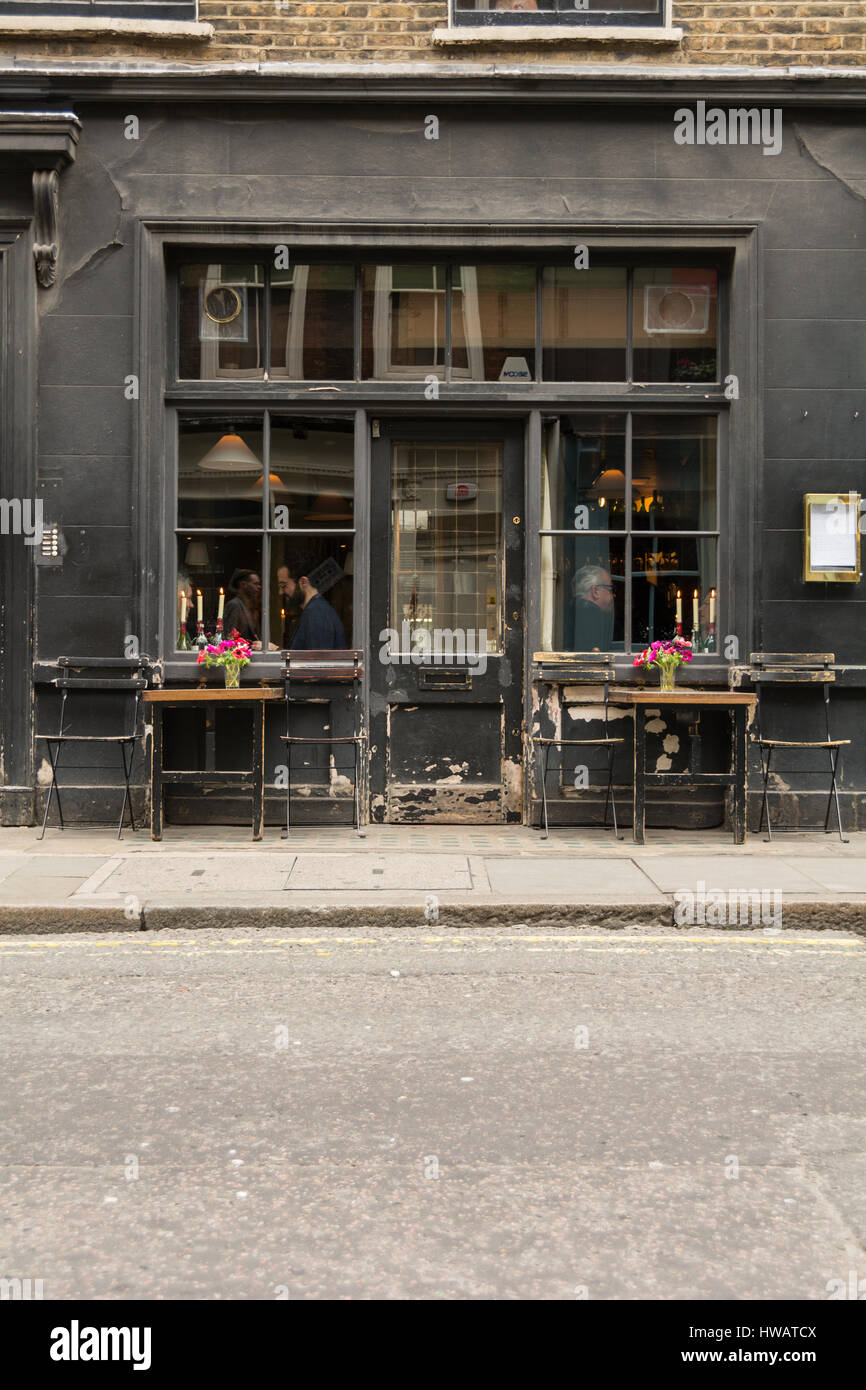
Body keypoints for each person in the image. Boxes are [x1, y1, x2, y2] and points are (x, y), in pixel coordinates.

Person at [282, 564, 347, 650]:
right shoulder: (317, 610)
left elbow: (316, 660)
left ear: (303, 582)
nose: (280, 592)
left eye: (283, 586)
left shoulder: (316, 613)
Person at [571, 564, 615, 651]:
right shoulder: (595, 616)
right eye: (610, 590)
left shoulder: (571, 611)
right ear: (595, 592)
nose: (614, 595)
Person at [222, 569, 262, 644]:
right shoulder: (234, 605)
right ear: (243, 585)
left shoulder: (252, 607)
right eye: (255, 584)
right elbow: (229, 637)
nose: (259, 587)